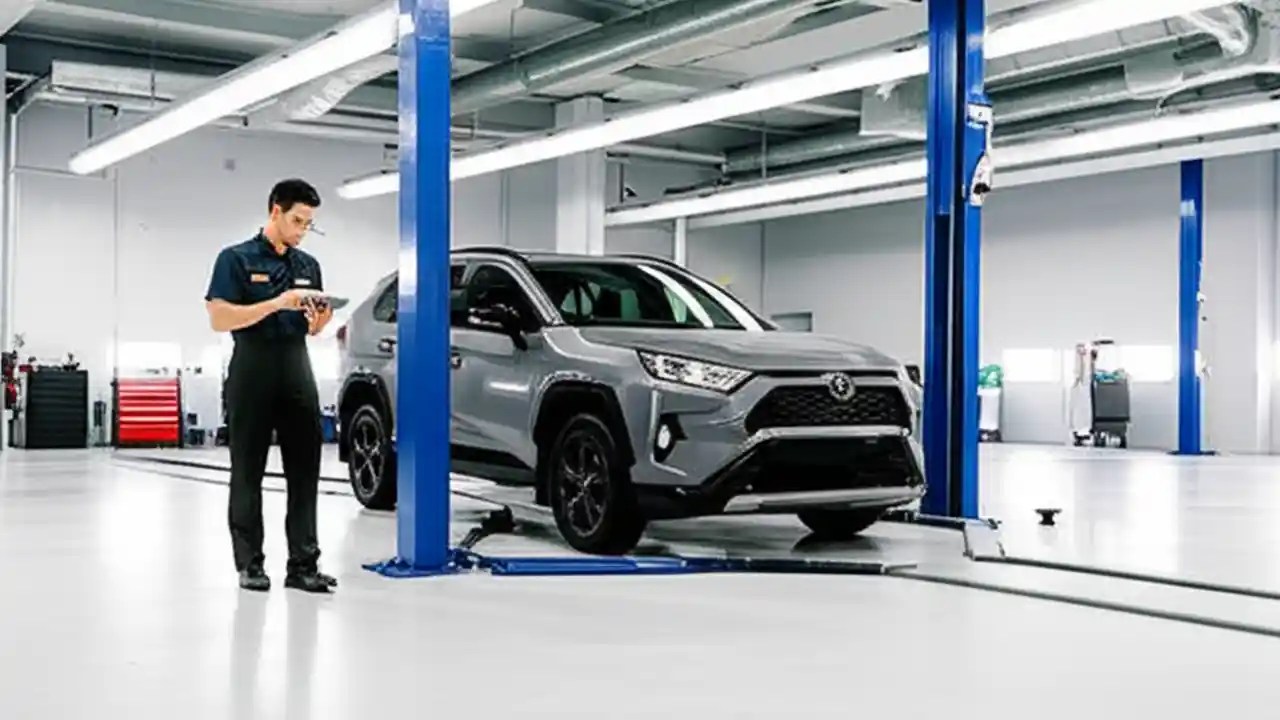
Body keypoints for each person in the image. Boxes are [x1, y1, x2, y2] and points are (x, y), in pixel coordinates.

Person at [204, 178, 336, 593]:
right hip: (252, 369)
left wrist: (319, 323)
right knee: (248, 470)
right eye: (297, 220)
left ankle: (303, 565)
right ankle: (250, 564)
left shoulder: (307, 266)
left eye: (309, 224)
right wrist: (275, 304)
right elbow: (220, 318)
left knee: (305, 471)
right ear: (275, 211)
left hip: (297, 367)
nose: (301, 230)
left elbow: (313, 327)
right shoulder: (235, 259)